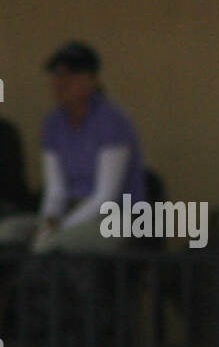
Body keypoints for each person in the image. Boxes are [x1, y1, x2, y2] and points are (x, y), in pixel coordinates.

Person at [0, 41, 147, 254]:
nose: (62, 83)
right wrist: (48, 221)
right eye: (57, 76)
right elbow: (56, 190)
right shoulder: (53, 123)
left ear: (92, 80)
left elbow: (105, 196)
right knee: (7, 233)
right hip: (70, 211)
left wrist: (59, 228)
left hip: (116, 218)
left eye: (72, 75)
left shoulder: (111, 121)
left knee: (48, 247)